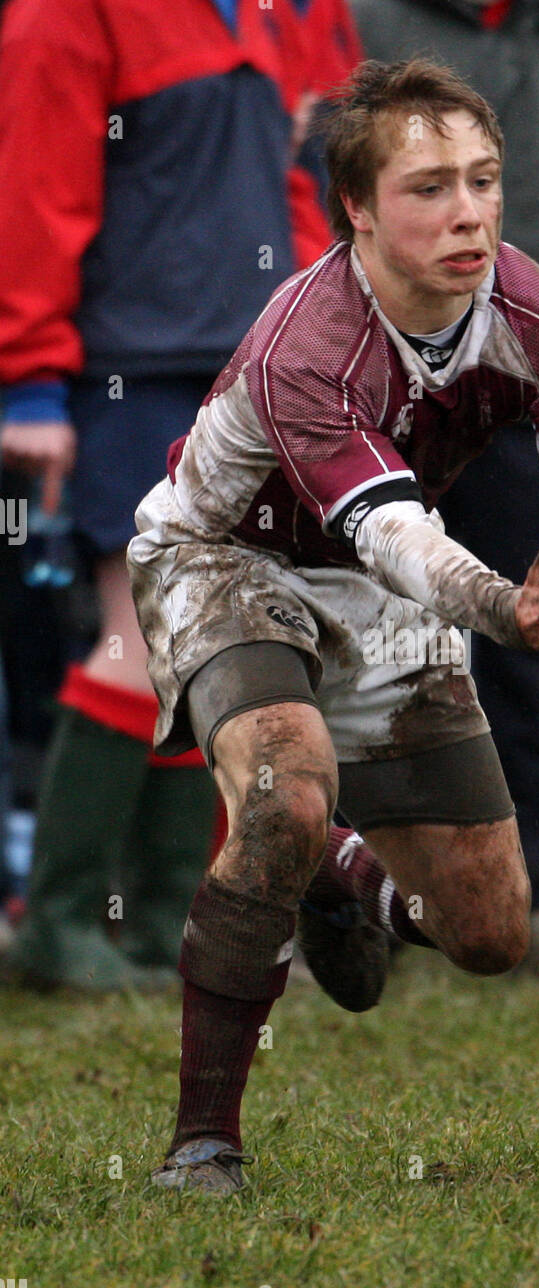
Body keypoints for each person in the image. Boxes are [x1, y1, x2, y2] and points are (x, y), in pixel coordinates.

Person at [127, 57, 539, 1194]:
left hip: (384, 585)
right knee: (286, 784)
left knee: (488, 932)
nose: (466, 211)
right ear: (356, 210)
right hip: (226, 561)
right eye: (427, 188)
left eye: (482, 179)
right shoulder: (304, 343)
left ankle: (338, 877)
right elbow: (394, 532)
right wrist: (508, 612)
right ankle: (202, 1142)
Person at [0, 0, 360, 990]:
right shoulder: (67, 11)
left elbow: (295, 184)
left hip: (242, 374)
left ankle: (165, 920)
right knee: (138, 638)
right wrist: (29, 376)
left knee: (203, 652)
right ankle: (60, 923)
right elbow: (33, 187)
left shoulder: (286, 11)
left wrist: (314, 335)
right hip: (128, 370)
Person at [350, 0, 539, 967]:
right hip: (382, 392)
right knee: (381, 643)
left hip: (526, 409)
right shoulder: (362, 26)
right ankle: (376, 902)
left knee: (535, 642)